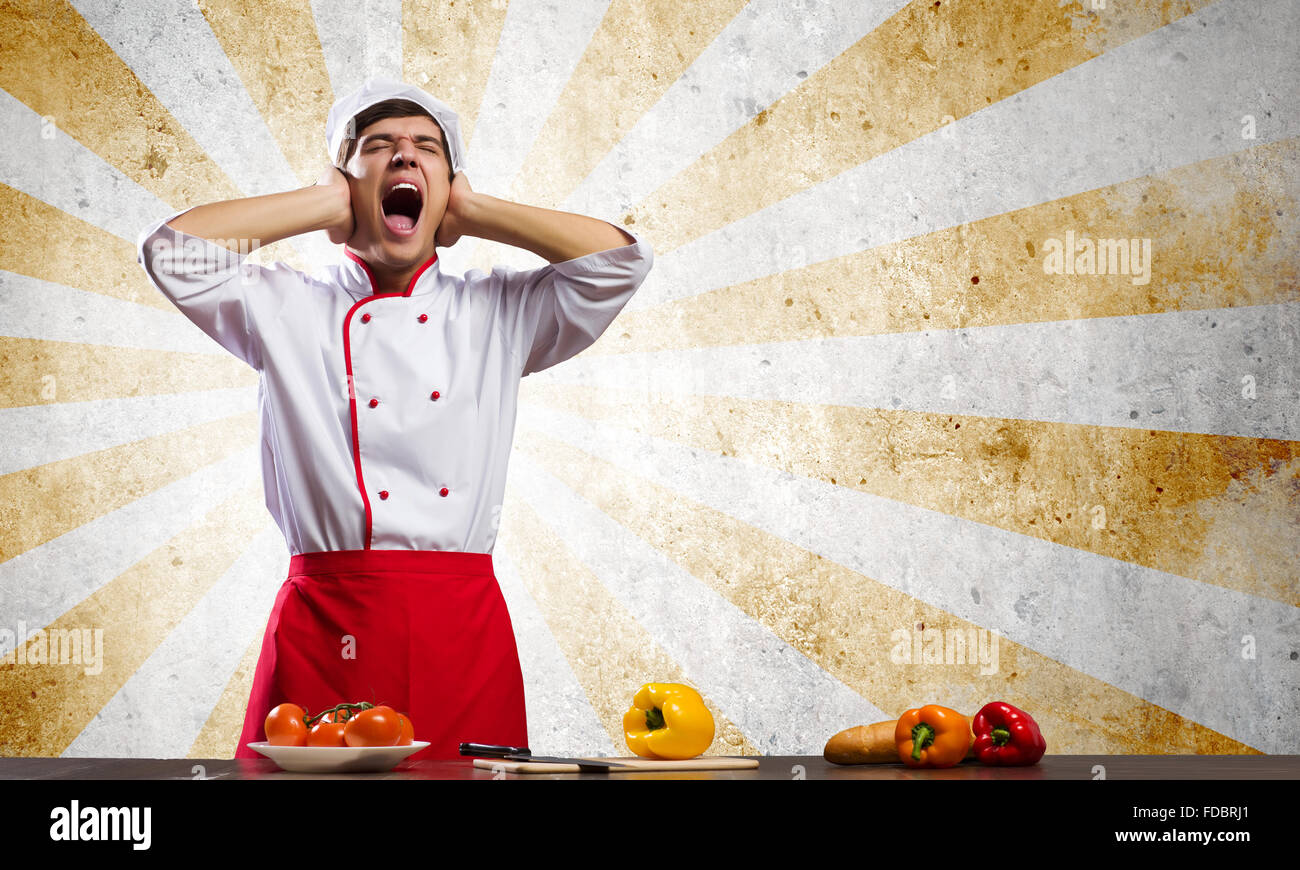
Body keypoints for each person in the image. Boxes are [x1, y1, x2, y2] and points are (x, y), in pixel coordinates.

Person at [135, 77, 654, 760]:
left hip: (460, 633)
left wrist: (475, 207)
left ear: (448, 189)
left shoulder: (499, 311)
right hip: (325, 625)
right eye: (378, 147)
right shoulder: (284, 305)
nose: (404, 157)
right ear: (346, 187)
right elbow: (170, 252)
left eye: (427, 150)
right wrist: (324, 200)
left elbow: (619, 263)